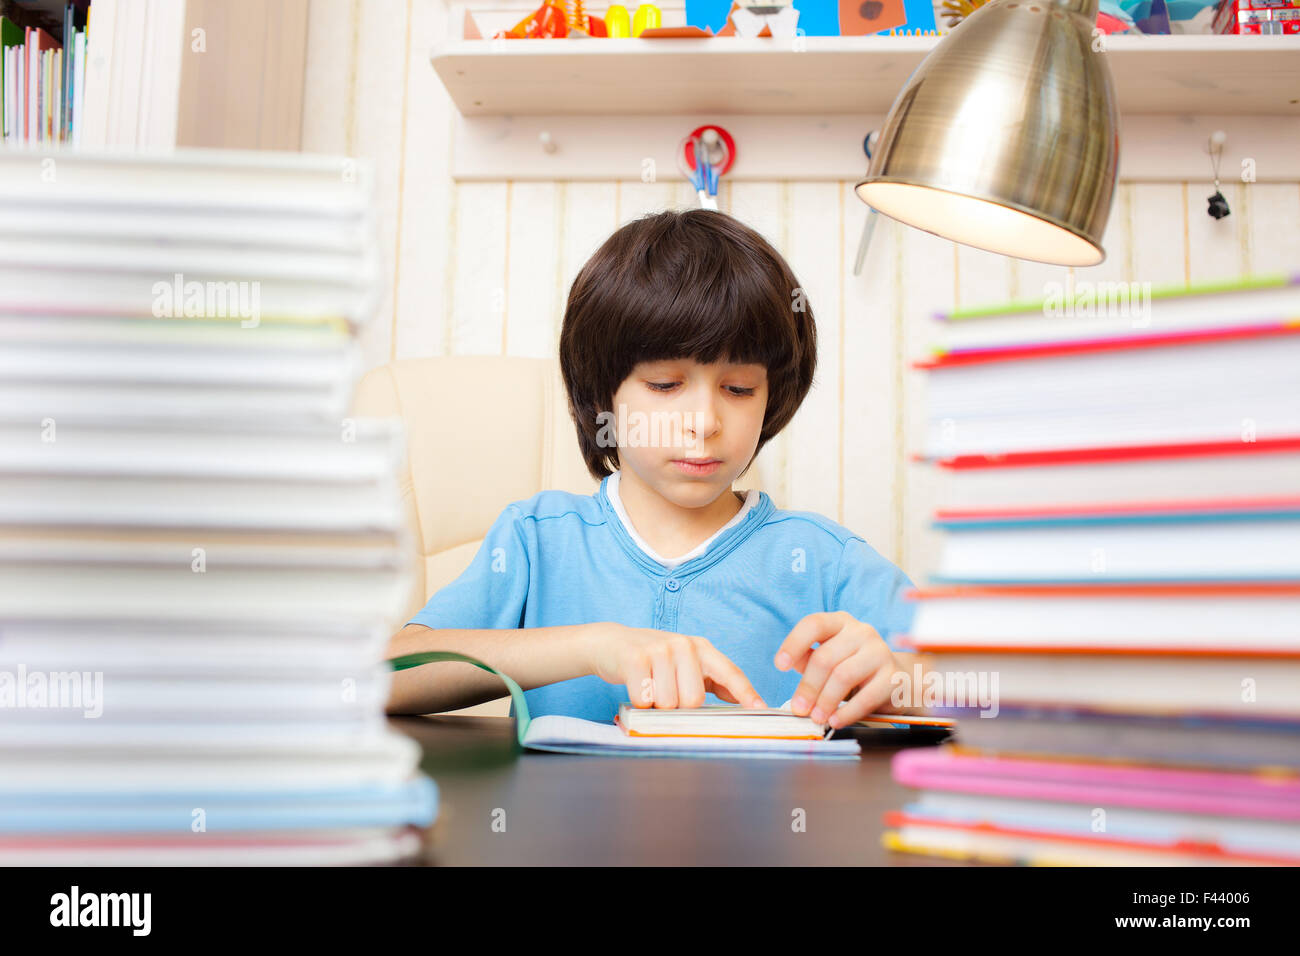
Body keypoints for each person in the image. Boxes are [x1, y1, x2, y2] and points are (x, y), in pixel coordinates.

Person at [385, 209, 922, 730]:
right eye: (665, 385)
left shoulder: (824, 560)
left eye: (739, 389)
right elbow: (386, 674)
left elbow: (986, 684)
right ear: (604, 396)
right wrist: (592, 646)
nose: (705, 422)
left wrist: (902, 678)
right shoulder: (537, 540)